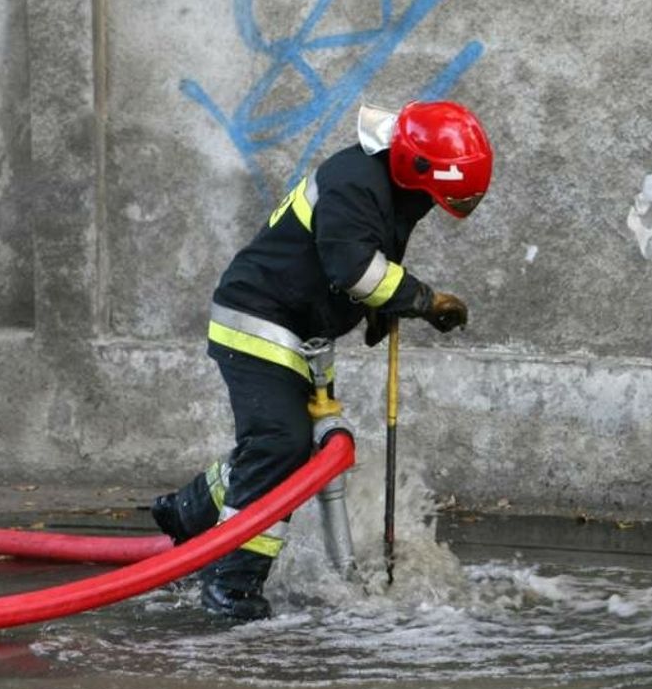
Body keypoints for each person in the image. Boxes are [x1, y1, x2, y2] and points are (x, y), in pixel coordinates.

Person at [151, 100, 494, 620]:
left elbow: (358, 260)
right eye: (443, 196)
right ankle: (230, 582)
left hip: (299, 331)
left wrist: (378, 306)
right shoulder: (355, 181)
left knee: (295, 450)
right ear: (416, 168)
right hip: (258, 321)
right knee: (282, 446)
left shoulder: (393, 185)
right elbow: (353, 267)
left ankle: (193, 509)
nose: (440, 207)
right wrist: (421, 300)